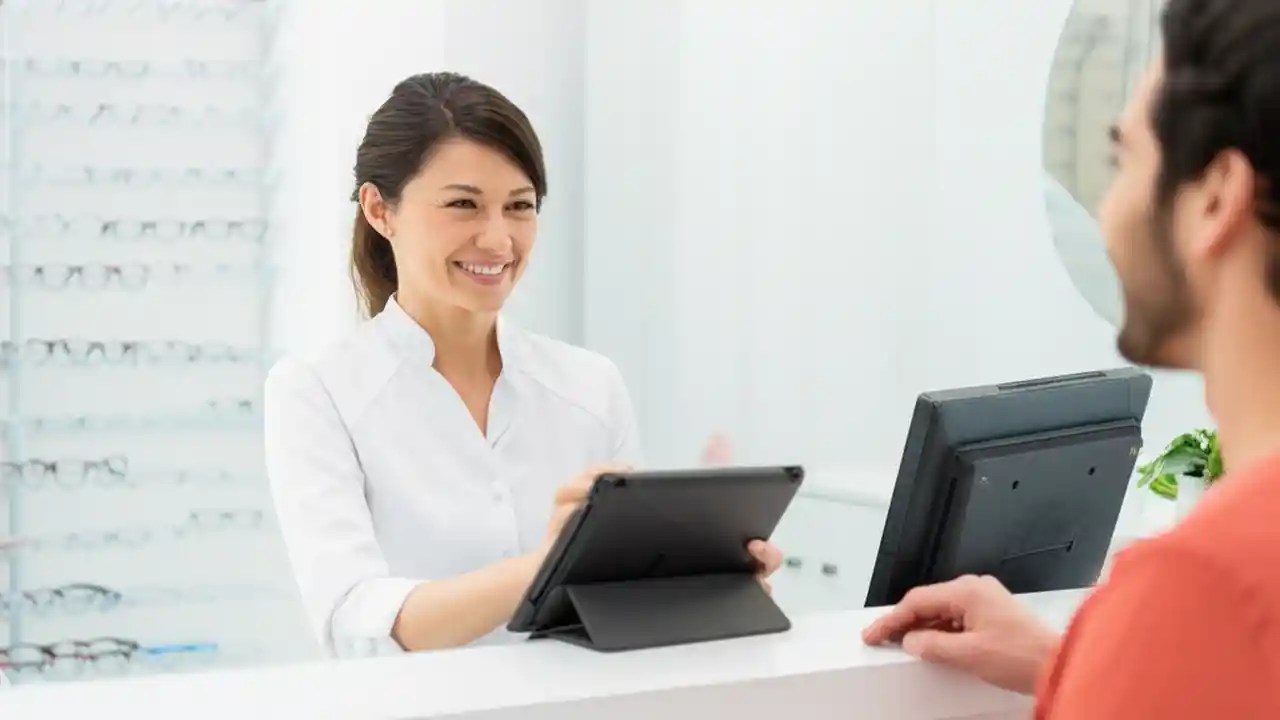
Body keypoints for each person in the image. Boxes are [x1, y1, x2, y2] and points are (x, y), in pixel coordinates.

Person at [264, 72, 782, 656]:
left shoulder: (591, 386)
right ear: (380, 210)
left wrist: (704, 584)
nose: (498, 239)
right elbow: (356, 620)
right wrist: (549, 565)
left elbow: (619, 608)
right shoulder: (316, 391)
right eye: (463, 204)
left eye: (519, 207)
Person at [864, 0, 1280, 715]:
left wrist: (1126, 655)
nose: (1106, 211)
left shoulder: (1203, 587)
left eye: (1123, 162)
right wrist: (1085, 664)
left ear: (1216, 199)